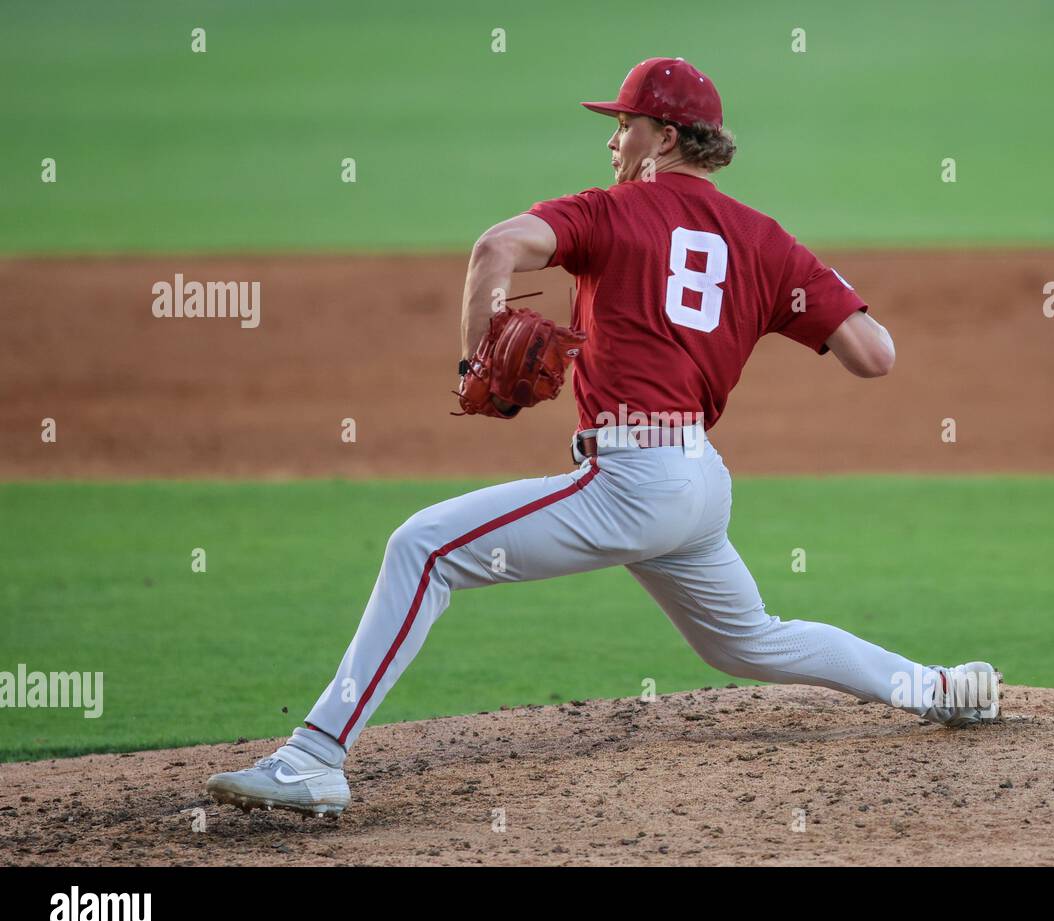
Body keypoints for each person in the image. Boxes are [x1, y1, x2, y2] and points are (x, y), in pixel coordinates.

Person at [206, 57, 999, 820]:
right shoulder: (765, 239)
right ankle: (940, 687)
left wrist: (474, 354)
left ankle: (313, 760)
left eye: (622, 125)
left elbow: (494, 247)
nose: (611, 142)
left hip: (633, 482)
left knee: (422, 549)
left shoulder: (607, 212)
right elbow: (875, 356)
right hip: (698, 483)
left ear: (661, 136)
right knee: (750, 641)